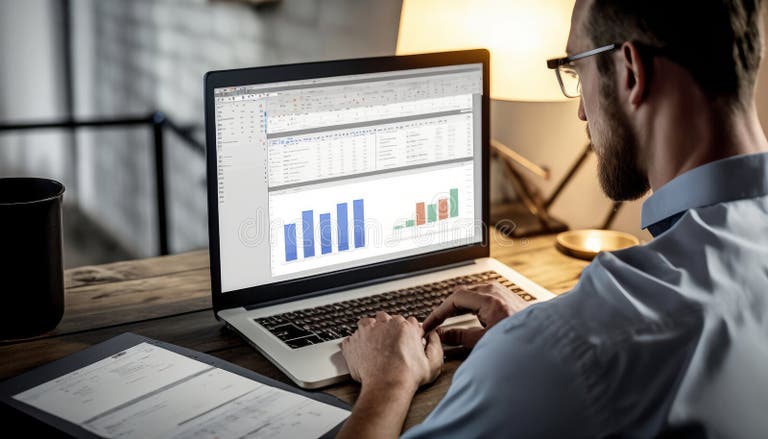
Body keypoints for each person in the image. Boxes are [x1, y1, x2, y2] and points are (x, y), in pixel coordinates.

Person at [337, 0, 768, 437]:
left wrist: (388, 380)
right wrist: (540, 334)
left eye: (576, 70)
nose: (581, 110)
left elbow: (586, 354)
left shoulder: (564, 350)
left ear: (630, 72)